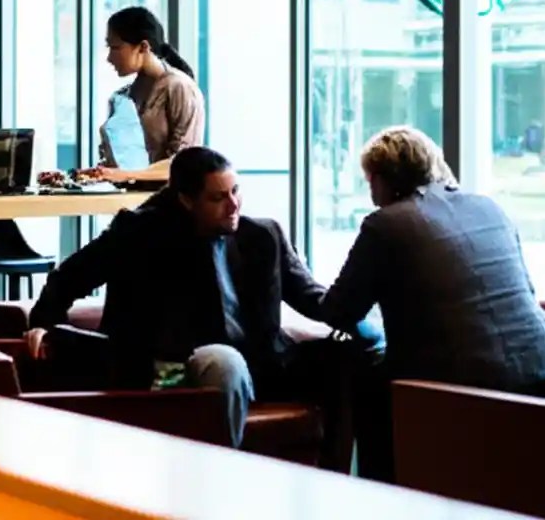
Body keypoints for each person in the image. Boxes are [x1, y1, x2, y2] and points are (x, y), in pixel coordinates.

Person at [27, 147, 377, 460]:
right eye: (218, 197)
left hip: (263, 362)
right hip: (180, 367)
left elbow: (310, 296)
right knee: (223, 361)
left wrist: (358, 323)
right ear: (186, 200)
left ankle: (334, 483)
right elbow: (70, 276)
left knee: (342, 358)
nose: (233, 205)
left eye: (236, 191)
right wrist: (43, 322)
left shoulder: (262, 236)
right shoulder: (141, 235)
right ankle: (221, 486)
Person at [316, 125, 545, 479]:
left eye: (369, 179)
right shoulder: (489, 207)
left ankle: (383, 495)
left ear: (381, 178)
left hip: (459, 391)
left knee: (364, 376)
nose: (369, 189)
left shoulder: (385, 225)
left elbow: (338, 310)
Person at [87, 7, 205, 184]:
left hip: (172, 204)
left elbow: (185, 163)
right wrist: (103, 172)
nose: (110, 58)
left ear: (143, 47)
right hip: (135, 199)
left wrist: (127, 175)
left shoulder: (179, 87)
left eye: (116, 48)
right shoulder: (126, 96)